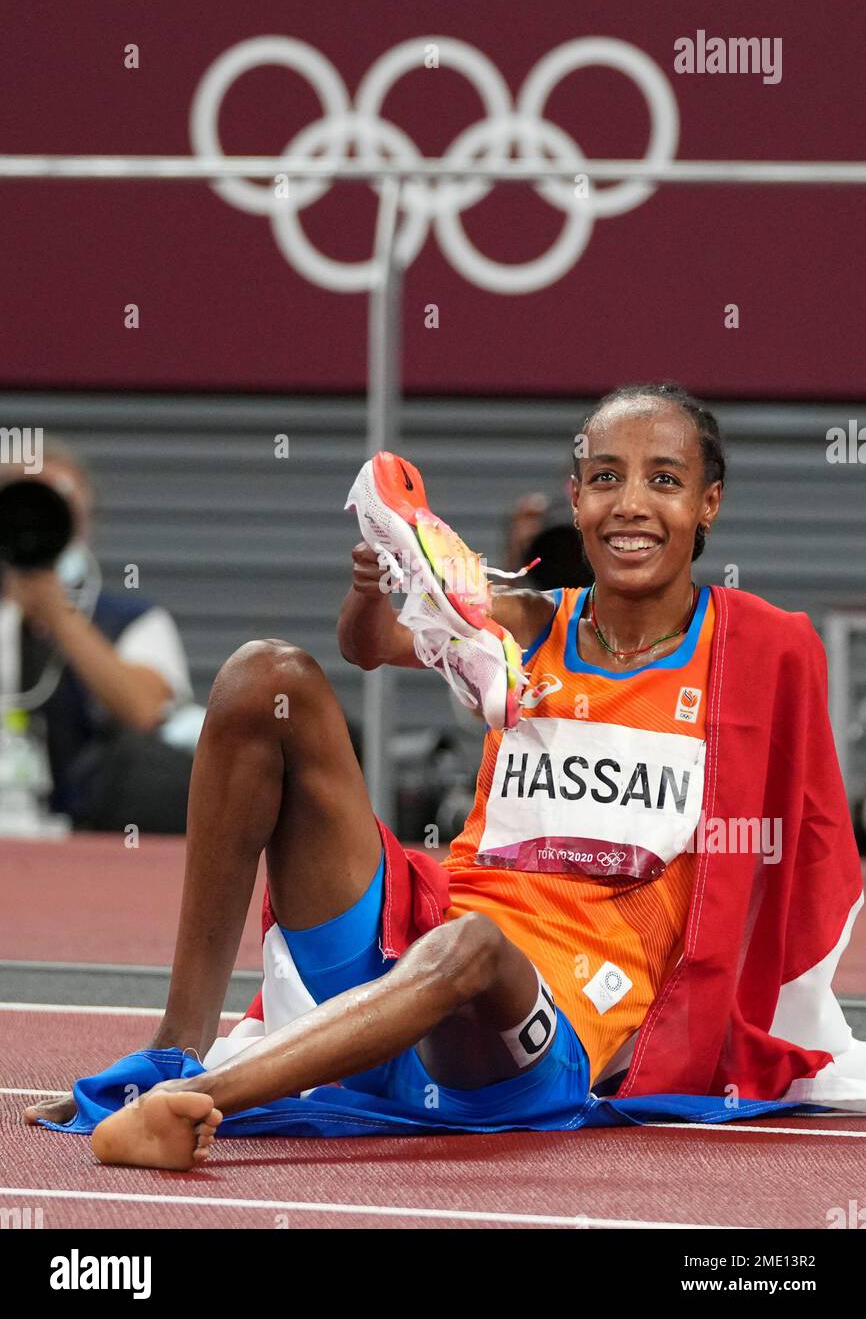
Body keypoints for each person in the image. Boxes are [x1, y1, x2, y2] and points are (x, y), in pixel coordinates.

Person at [26, 384, 865, 1168]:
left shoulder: (756, 648)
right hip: (409, 954)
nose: (632, 504)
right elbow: (373, 647)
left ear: (707, 503)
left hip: (532, 1029)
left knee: (473, 949)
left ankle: (189, 1105)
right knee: (264, 678)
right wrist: (372, 592)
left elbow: (809, 831)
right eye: (606, 477)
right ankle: (174, 1050)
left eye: (666, 480)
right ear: (577, 501)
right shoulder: (531, 621)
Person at [0, 442, 195, 831]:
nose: (36, 527)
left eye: (54, 511)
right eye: (25, 509)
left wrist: (59, 615)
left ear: (84, 526)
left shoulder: (136, 620)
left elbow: (145, 711)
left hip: (91, 836)